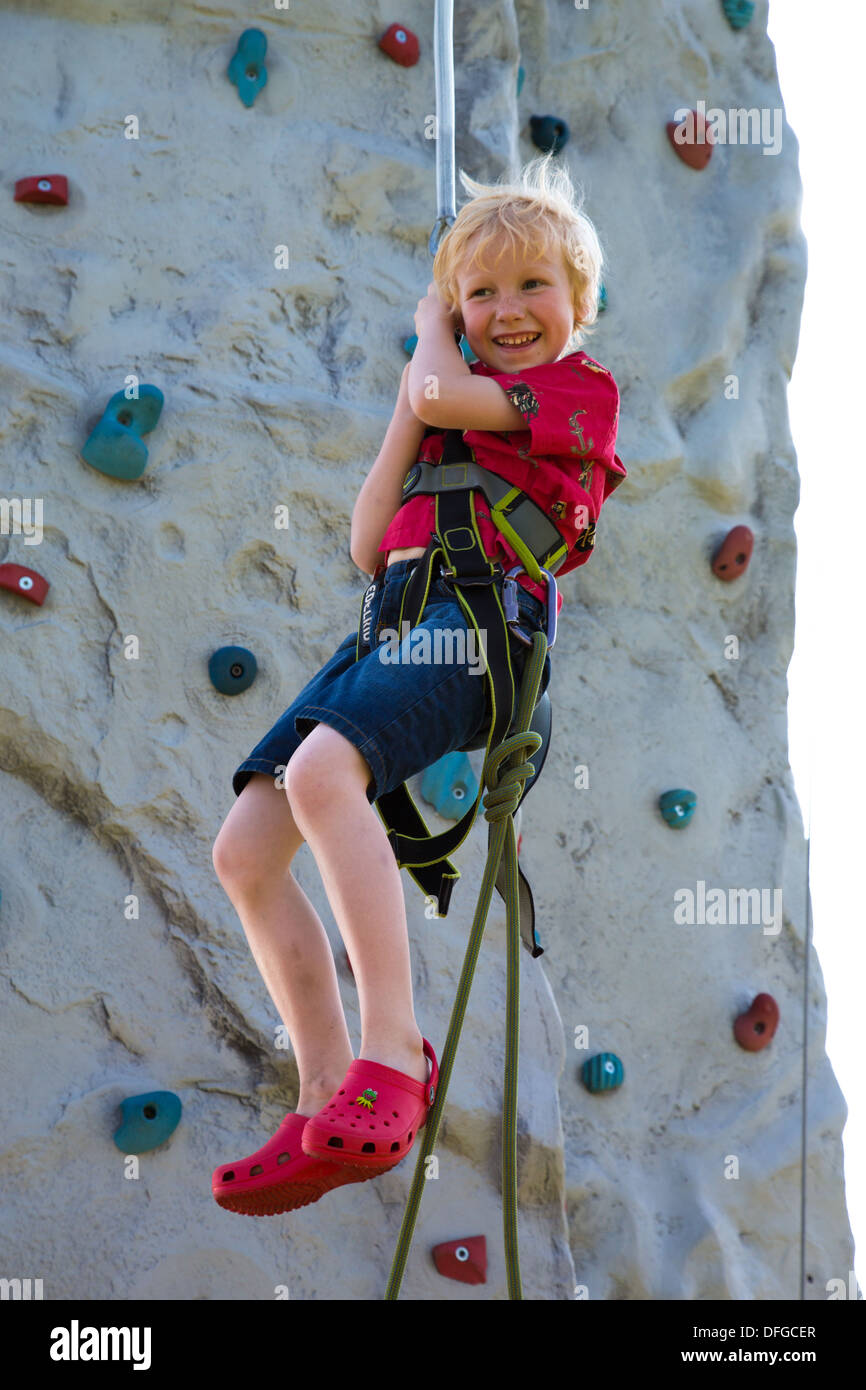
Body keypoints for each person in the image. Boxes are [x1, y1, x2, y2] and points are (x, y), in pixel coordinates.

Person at [210, 153, 626, 1216]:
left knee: (320, 773)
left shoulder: (577, 394)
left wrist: (430, 330)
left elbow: (444, 384)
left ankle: (393, 1049)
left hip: (484, 625)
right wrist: (415, 401)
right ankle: (321, 1092)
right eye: (478, 293)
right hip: (394, 622)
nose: (506, 309)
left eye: (532, 285)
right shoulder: (443, 405)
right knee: (245, 850)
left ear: (577, 304)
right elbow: (364, 539)